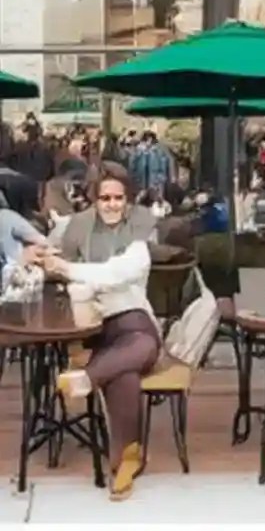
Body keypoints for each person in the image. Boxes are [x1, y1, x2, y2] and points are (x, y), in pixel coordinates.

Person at [48, 161, 158, 502]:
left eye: (118, 198)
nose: (112, 204)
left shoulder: (138, 244)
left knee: (141, 343)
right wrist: (48, 258)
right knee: (125, 370)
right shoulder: (80, 228)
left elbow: (114, 273)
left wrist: (69, 269)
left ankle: (87, 380)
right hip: (96, 325)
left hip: (133, 317)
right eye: (105, 198)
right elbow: (56, 258)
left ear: (127, 200)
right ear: (95, 199)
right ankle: (129, 457)